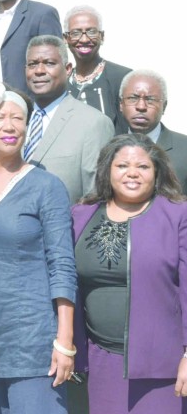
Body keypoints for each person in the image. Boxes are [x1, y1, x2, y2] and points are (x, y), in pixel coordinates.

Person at [0, 82, 77, 413]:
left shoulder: (46, 186)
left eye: (18, 118)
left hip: (33, 345)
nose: (9, 126)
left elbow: (62, 266)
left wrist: (64, 342)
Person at [72, 134, 187, 413]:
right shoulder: (81, 214)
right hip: (100, 363)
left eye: (143, 167)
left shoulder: (177, 215)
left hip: (161, 367)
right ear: (107, 170)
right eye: (122, 165)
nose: (132, 173)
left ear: (157, 172)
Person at [23, 35, 115, 204]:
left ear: (68, 69)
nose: (39, 70)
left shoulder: (93, 123)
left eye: (49, 63)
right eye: (33, 64)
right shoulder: (17, 119)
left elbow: (96, 196)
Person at [63, 5, 131, 132]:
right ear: (66, 39)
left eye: (91, 32)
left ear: (102, 36)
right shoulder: (61, 82)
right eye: (75, 33)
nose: (84, 39)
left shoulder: (122, 78)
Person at [119, 69, 187, 191]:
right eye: (133, 98)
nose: (141, 107)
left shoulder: (184, 148)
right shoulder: (109, 148)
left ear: (164, 106)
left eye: (150, 100)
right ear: (121, 104)